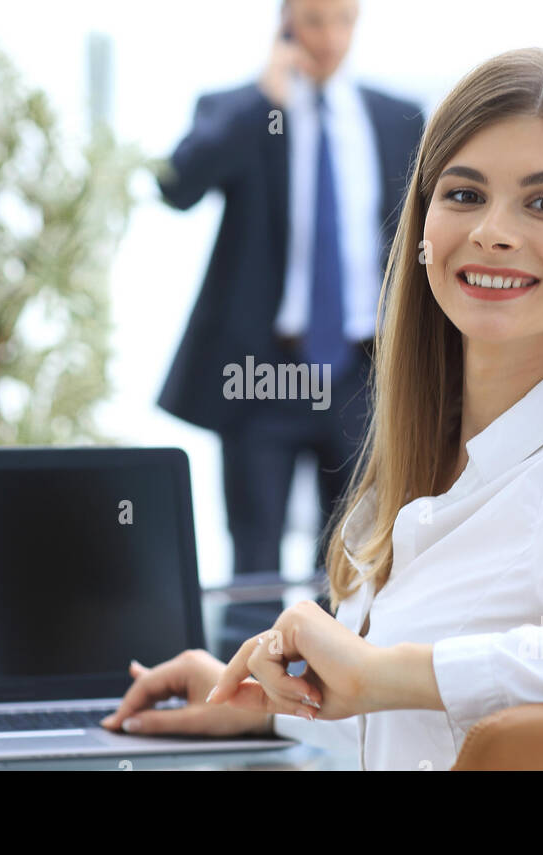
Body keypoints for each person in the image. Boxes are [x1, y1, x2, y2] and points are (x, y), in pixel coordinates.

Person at [103, 46, 543, 770]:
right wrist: (268, 709)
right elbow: (425, 731)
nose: (492, 230)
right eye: (463, 194)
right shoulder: (437, 456)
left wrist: (389, 670)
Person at [154, 0, 426, 621]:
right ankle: (244, 697)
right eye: (313, 20)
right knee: (255, 552)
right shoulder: (241, 110)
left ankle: (325, 702)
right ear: (284, 21)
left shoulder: (396, 118)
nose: (329, 38)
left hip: (360, 374)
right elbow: (176, 185)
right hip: (262, 375)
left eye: (344, 21)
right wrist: (264, 97)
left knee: (349, 555)